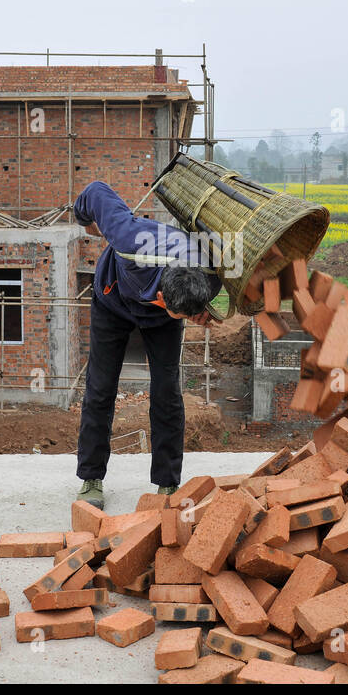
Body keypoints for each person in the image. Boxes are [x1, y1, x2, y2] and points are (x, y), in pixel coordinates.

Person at [72, 181, 221, 509]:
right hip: (112, 301)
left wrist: (200, 313)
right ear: (162, 295)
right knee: (100, 387)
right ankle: (91, 478)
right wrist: (84, 221)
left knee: (167, 392)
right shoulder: (127, 239)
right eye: (178, 312)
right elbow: (96, 191)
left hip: (159, 322)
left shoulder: (208, 273)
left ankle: (167, 483)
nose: (184, 318)